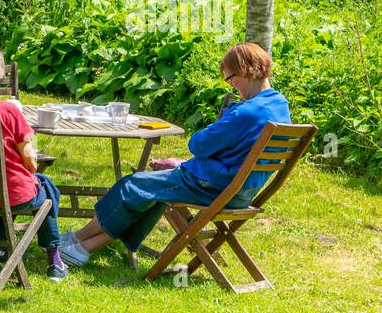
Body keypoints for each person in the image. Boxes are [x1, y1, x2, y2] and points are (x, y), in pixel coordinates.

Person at [59, 42, 291, 269]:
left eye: (231, 78)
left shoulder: (247, 112)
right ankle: (83, 247)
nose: (232, 86)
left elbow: (198, 145)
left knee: (132, 186)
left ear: (246, 70)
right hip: (242, 192)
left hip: (212, 187)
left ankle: (77, 240)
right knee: (150, 193)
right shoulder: (280, 105)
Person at [0, 41, 66, 281]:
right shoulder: (8, 111)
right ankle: (55, 261)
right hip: (8, 195)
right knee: (46, 188)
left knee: (5, 197)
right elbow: (31, 164)